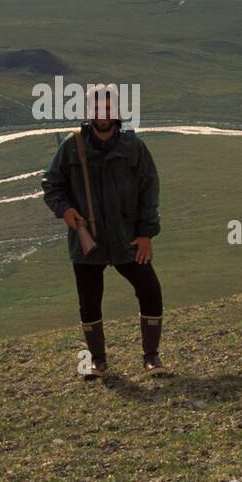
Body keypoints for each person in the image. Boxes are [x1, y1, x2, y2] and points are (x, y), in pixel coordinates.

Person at [41, 86, 164, 376]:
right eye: (97, 108)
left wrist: (146, 234)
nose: (103, 114)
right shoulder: (71, 146)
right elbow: (52, 185)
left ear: (117, 111)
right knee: (89, 302)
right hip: (88, 242)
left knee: (151, 291)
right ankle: (98, 361)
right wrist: (66, 211)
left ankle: (151, 358)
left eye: (109, 108)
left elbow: (150, 191)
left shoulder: (135, 147)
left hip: (128, 239)